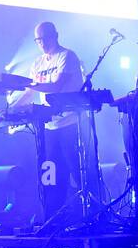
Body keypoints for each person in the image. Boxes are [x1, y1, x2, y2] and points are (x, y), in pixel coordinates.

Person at [15, 21, 86, 223]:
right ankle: (54, 216)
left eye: (45, 38)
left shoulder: (67, 56)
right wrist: (12, 109)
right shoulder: (37, 63)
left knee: (76, 168)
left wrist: (32, 85)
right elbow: (29, 92)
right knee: (52, 173)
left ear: (55, 35)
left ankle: (89, 213)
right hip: (48, 126)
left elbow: (56, 86)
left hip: (71, 123)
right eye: (38, 40)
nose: (42, 43)